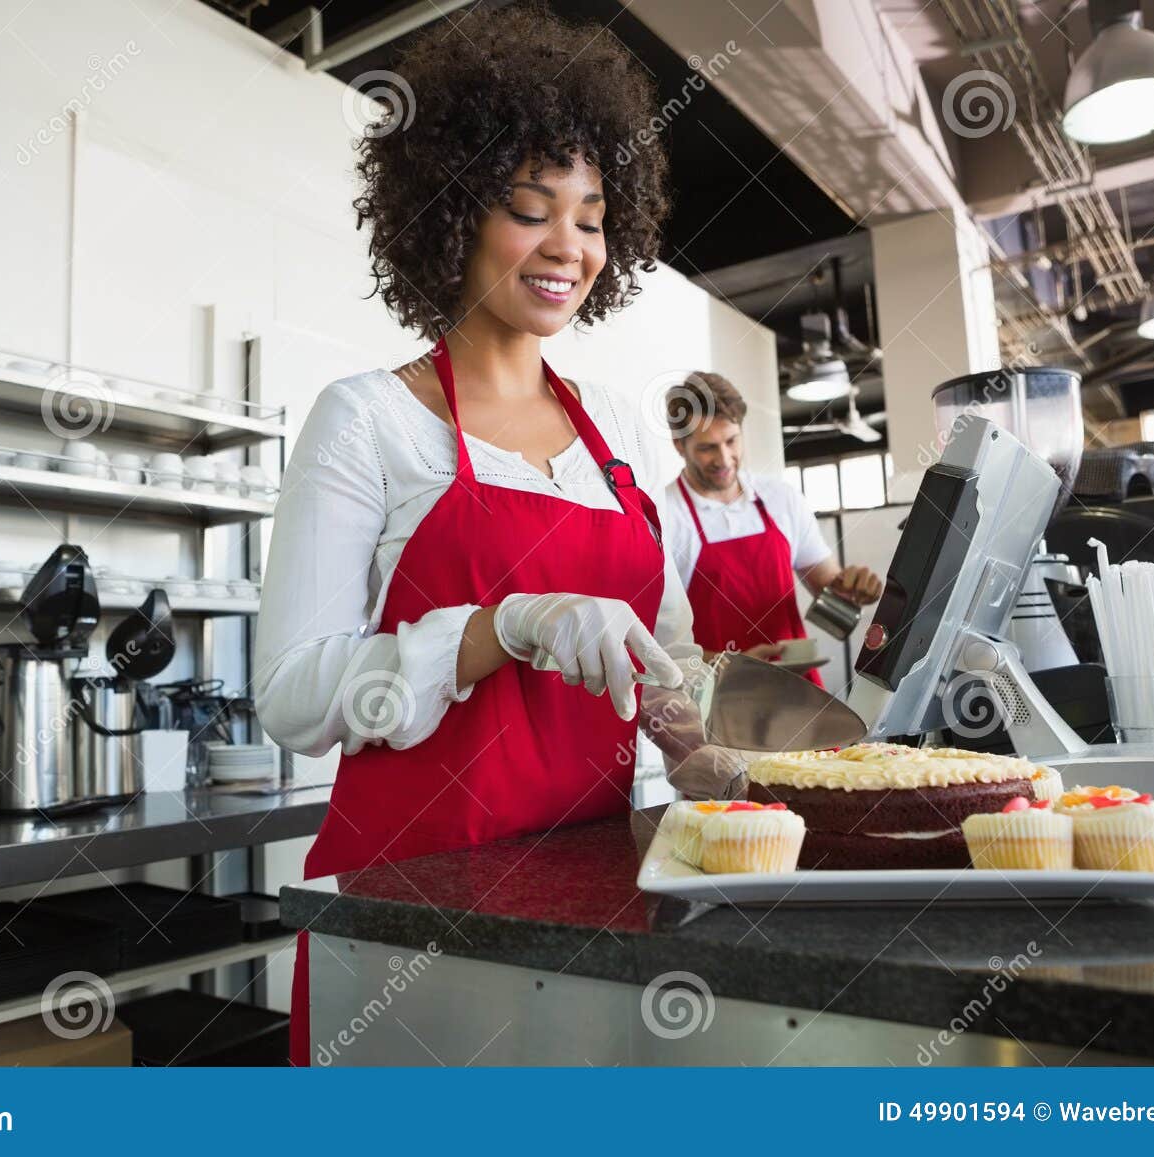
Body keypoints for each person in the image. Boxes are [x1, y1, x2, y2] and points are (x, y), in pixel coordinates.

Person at [254, 6, 741, 1068]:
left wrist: (706, 744)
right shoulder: (370, 417)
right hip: (416, 901)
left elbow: (656, 650)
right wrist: (500, 627)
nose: (568, 246)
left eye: (592, 215)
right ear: (452, 211)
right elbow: (292, 695)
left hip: (591, 886)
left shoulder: (614, 422)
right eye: (530, 208)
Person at [663, 372, 884, 686]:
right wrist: (730, 664)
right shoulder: (664, 515)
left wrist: (852, 589)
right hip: (717, 697)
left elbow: (829, 587)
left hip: (796, 688)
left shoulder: (781, 498)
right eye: (707, 448)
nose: (724, 458)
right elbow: (659, 643)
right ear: (679, 446)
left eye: (731, 441)